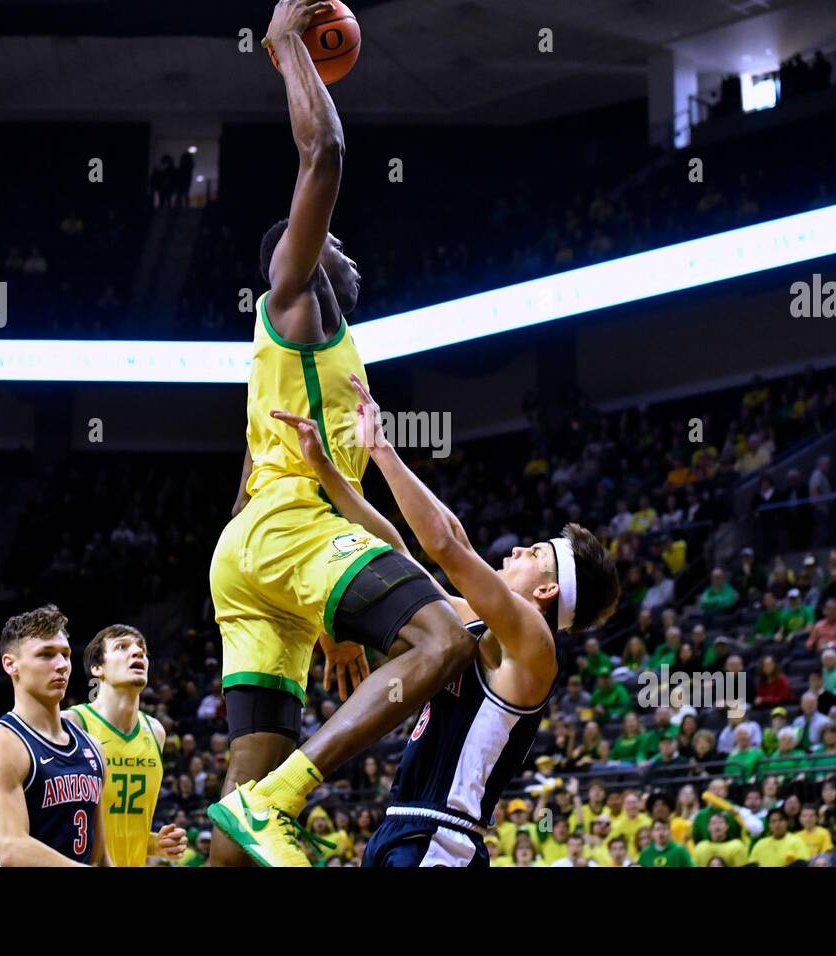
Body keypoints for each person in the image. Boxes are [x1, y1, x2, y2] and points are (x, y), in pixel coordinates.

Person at [206, 0, 483, 867]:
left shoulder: (317, 362)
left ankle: (253, 811)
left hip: (252, 551)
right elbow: (323, 152)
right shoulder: (296, 301)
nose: (347, 251)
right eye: (333, 239)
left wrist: (327, 621)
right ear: (303, 250)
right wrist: (288, 45)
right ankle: (285, 802)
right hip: (287, 533)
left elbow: (315, 498)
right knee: (442, 638)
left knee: (241, 772)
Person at [213, 376, 620, 866]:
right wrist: (326, 468)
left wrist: (382, 448)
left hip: (442, 838)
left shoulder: (534, 645)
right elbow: (403, 554)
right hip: (401, 829)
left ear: (547, 591)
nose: (516, 549)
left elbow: (449, 543)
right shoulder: (473, 622)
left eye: (533, 553)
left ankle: (283, 794)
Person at [0, 605, 111, 866]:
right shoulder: (2, 745)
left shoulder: (92, 747)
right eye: (46, 655)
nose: (61, 665)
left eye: (65, 655)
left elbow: (100, 857)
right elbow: (12, 850)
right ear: (10, 665)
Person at [63, 625, 187, 867]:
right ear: (97, 668)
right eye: (122, 647)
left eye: (142, 650)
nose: (138, 653)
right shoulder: (73, 724)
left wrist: (155, 844)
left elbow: (121, 828)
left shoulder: (156, 731)